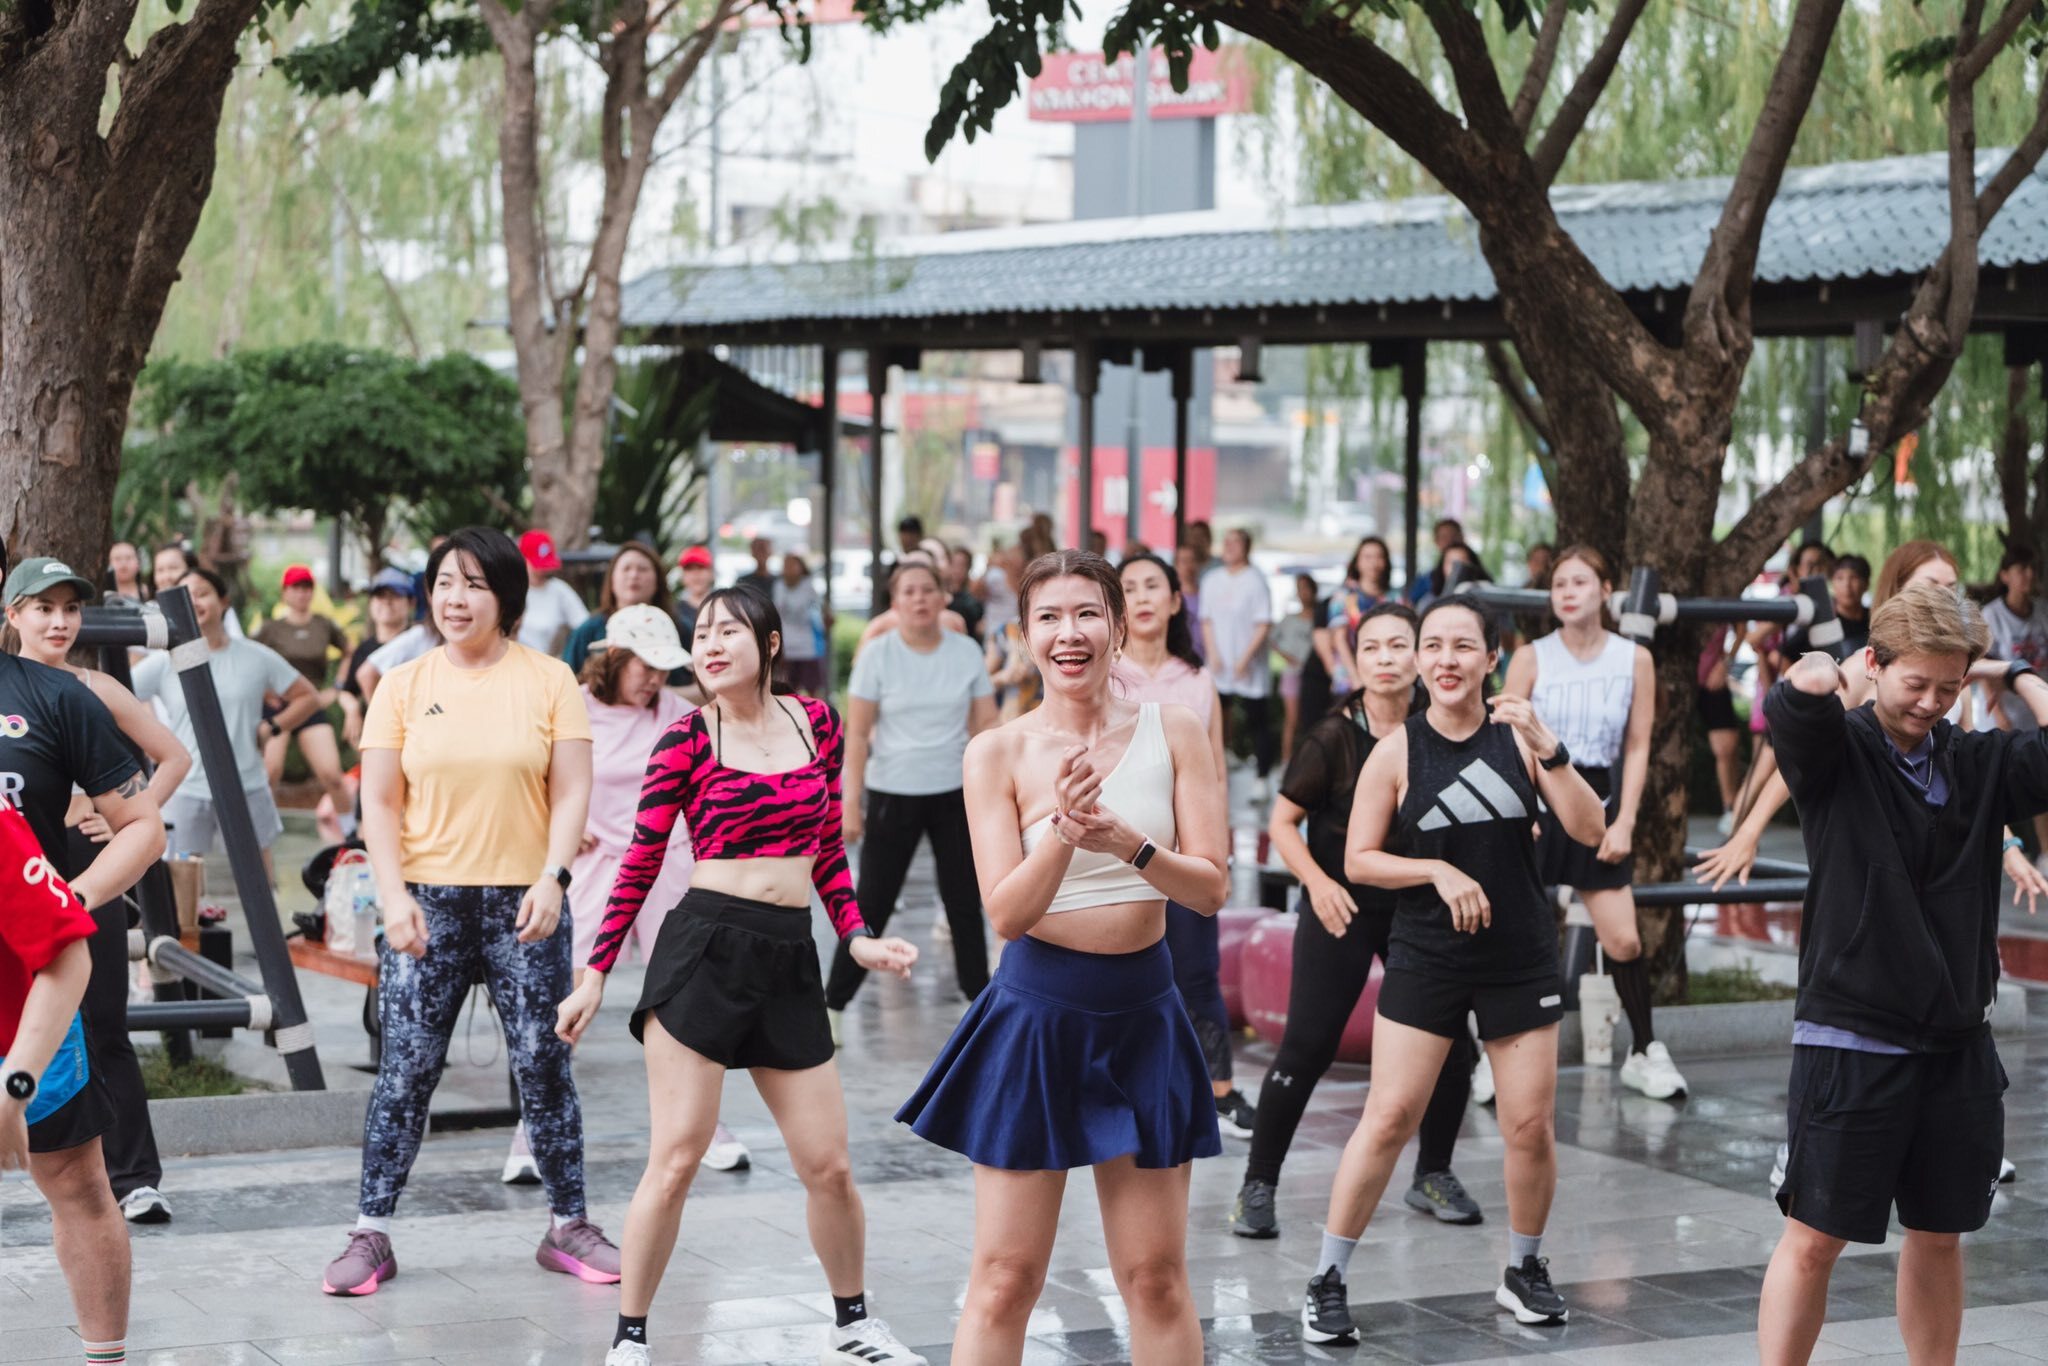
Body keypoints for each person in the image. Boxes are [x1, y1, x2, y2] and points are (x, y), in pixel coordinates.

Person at [555, 587, 925, 1366]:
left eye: (728, 630)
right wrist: (593, 975)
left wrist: (853, 936)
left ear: (770, 640)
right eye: (701, 633)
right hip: (704, 952)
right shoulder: (686, 739)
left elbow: (825, 847)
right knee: (679, 1155)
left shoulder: (817, 723)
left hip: (789, 955)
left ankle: (854, 1323)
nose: (711, 643)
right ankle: (630, 1339)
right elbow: (642, 860)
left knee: (829, 1163)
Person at [896, 550, 1229, 1366]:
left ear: (1118, 627)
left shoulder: (1174, 730)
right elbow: (1005, 912)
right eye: (1048, 617)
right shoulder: (996, 753)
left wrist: (1130, 844)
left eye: (1087, 614)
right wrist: (1065, 837)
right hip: (1036, 1019)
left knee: (1155, 1277)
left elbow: (1211, 889)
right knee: (1007, 1277)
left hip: (1146, 1016)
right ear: (1024, 635)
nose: (1069, 633)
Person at [1754, 581, 2048, 1366]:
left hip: (1956, 1040)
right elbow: (1803, 689)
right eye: (1915, 683)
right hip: (1852, 1036)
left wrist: (2011, 672)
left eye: (1949, 689)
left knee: (1941, 1234)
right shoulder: (1835, 751)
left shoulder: (1977, 761)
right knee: (1815, 1238)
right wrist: (1841, 667)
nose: (1930, 704)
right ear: (1876, 665)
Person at [324, 527, 620, 1297]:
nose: (455, 598)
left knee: (544, 1064)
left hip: (526, 900)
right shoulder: (401, 682)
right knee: (406, 1070)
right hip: (426, 902)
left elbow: (572, 790)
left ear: (507, 597)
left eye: (474, 584)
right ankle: (369, 1231)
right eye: (444, 582)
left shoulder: (550, 679)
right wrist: (392, 897)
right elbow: (379, 800)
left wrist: (555, 879)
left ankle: (569, 1224)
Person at [1306, 597, 1603, 1344]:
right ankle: (1327, 1278)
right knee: (1389, 1118)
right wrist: (1436, 871)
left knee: (1529, 1125)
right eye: (1431, 645)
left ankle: (1523, 1269)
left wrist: (1551, 746)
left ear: (1491, 658)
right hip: (1428, 955)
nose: (1445, 659)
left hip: (1519, 956)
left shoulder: (1522, 738)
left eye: (1463, 646)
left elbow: (1591, 828)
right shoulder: (1397, 750)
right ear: (1416, 661)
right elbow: (1357, 859)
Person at [1235, 601, 1480, 1241]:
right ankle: (1257, 1186)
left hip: (1418, 905)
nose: (1386, 660)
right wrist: (1315, 883)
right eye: (1372, 648)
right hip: (1341, 902)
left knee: (1453, 1044)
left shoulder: (1443, 727)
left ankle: (1433, 1173)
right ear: (1355, 657)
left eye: (1399, 646)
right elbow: (1282, 822)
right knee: (1307, 1045)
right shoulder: (1333, 735)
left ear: (1421, 656)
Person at [502, 605, 749, 1186]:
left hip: (669, 865)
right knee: (564, 997)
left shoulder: (684, 715)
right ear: (614, 658)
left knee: (687, 999)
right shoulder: (574, 710)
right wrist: (556, 824)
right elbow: (529, 776)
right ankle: (531, 1131)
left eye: (666, 668)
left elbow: (718, 787)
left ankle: (702, 1126)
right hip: (592, 868)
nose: (655, 678)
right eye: (646, 666)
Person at [0, 564, 167, 1366]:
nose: (60, 620)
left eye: (71, 609)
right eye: (47, 607)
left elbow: (142, 824)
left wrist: (74, 896)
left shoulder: (58, 696)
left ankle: (106, 1355)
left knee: (75, 1182)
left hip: (32, 986)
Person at [1503, 546, 1682, 1100]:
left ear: (1606, 590)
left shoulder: (1634, 659)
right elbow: (1506, 735)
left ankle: (1644, 1049)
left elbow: (1637, 744)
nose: (1568, 592)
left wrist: (1624, 819)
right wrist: (1520, 807)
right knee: (1513, 934)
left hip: (1596, 802)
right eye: (1559, 584)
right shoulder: (1531, 656)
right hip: (1535, 799)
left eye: (1580, 582)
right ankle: (1496, 1053)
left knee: (1625, 939)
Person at [1113, 553, 1255, 1137]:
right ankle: (1120, 1085)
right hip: (1114, 849)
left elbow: (1215, 773)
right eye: (1129, 588)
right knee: (1120, 967)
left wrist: (1215, 850)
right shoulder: (1103, 671)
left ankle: (1220, 1092)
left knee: (1196, 969)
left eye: (1155, 586)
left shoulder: (1197, 682)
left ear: (1176, 601)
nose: (1143, 597)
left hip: (1185, 850)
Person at [1, 808, 145, 1366]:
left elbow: (66, 953)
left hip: (28, 1028)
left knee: (77, 1185)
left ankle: (105, 1359)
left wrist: (16, 1084)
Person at [831, 562, 995, 1035]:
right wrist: (850, 803)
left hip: (953, 790)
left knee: (964, 901)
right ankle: (834, 1005)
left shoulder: (965, 652)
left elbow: (986, 725)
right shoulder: (878, 655)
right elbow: (857, 735)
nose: (920, 599)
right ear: (895, 601)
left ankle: (979, 1004)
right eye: (909, 592)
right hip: (892, 791)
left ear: (944, 598)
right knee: (872, 905)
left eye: (929, 590)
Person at [132, 569, 319, 879]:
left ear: (223, 601)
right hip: (186, 786)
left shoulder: (256, 657)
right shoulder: (165, 661)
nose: (194, 601)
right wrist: (153, 738)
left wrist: (271, 728)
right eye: (185, 596)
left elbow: (307, 697)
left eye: (203, 592)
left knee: (259, 876)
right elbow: (114, 699)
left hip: (247, 784)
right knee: (183, 880)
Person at [254, 565, 355, 836]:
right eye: (295, 588)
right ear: (285, 593)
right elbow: (250, 662)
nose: (301, 593)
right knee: (270, 773)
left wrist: (337, 686)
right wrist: (266, 693)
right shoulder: (271, 628)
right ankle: (261, 834)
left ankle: (351, 833)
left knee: (332, 774)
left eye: (306, 587)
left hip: (310, 706)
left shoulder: (322, 625)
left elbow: (349, 650)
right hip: (279, 707)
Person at [1200, 529, 1276, 788]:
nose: (1230, 546)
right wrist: (1213, 653)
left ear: (1247, 547)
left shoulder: (1256, 581)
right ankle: (1217, 771)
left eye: (1236, 542)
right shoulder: (1212, 580)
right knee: (1215, 717)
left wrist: (1245, 659)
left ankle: (1262, 777)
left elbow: (1263, 623)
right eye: (1227, 541)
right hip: (1219, 663)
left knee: (1258, 720)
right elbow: (1206, 619)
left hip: (1250, 665)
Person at [559, 541, 678, 677]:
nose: (634, 575)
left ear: (658, 581)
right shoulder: (588, 632)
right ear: (612, 581)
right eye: (626, 569)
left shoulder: (677, 628)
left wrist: (663, 695)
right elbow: (566, 681)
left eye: (642, 569)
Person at [337, 569, 419, 746]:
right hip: (378, 735)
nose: (387, 603)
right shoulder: (364, 649)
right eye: (380, 596)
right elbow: (347, 691)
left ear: (411, 602)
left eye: (395, 596)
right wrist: (352, 709)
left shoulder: (420, 641)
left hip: (415, 732)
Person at [1319, 536, 1393, 694]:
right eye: (1367, 557)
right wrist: (1356, 678)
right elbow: (1339, 640)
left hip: (1385, 677)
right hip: (1350, 680)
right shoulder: (1344, 596)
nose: (1373, 563)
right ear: (1357, 562)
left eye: (1379, 557)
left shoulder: (1394, 598)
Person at [516, 529, 590, 657]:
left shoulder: (558, 590)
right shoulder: (510, 589)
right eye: (536, 566)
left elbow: (585, 625)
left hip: (542, 664)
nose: (541, 571)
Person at [1274, 573, 1320, 765]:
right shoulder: (1289, 618)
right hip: (1293, 673)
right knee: (1292, 719)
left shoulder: (1320, 617)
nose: (1304, 593)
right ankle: (1287, 762)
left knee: (1313, 719)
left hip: (1315, 675)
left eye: (1306, 588)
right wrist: (1289, 658)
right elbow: (1273, 640)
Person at [151, 544, 241, 638]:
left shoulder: (214, 607)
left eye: (173, 568)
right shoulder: (149, 610)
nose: (166, 577)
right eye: (160, 570)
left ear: (190, 569)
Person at [771, 552, 828, 694]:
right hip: (787, 647)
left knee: (812, 688)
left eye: (792, 565)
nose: (788, 568)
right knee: (788, 689)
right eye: (786, 565)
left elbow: (823, 608)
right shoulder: (779, 586)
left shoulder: (808, 585)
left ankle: (814, 715)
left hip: (808, 646)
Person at [1403, 518, 1466, 605]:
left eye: (1453, 536)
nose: (1449, 541)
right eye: (1444, 537)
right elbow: (1409, 604)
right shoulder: (1426, 580)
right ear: (1436, 541)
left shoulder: (1477, 577)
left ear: (1462, 537)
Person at [674, 545, 715, 653]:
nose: (696, 574)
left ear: (711, 573)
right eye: (690, 569)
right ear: (682, 576)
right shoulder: (674, 612)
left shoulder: (725, 607)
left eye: (701, 567)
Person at [1830, 553, 1871, 655]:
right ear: (1832, 583)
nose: (1847, 585)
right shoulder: (1826, 622)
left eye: (1854, 577)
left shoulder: (1875, 619)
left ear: (1866, 584)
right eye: (1840, 578)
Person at [1172, 543, 1207, 661]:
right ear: (1175, 565)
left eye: (1192, 560)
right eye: (1184, 561)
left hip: (1208, 660)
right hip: (1182, 660)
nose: (1189, 566)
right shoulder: (1172, 598)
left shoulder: (1207, 594)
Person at [944, 544, 986, 642]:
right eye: (954, 564)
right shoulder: (941, 596)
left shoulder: (974, 598)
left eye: (962, 565)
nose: (957, 570)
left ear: (968, 568)